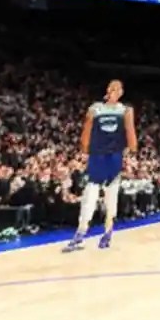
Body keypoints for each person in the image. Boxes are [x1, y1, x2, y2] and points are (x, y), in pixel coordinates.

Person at [64, 80, 136, 252]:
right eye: (113, 87)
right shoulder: (95, 108)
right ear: (107, 89)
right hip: (96, 155)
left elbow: (130, 131)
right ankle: (81, 233)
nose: (115, 90)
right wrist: (84, 149)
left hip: (114, 156)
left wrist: (132, 151)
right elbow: (86, 130)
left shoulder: (125, 110)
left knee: (111, 198)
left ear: (121, 92)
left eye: (118, 88)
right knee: (90, 194)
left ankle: (108, 232)